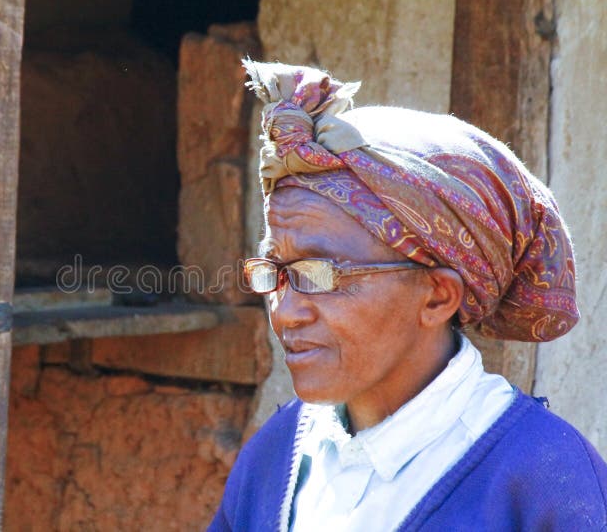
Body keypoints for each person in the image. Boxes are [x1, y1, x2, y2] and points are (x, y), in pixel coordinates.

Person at [209, 60, 607, 531]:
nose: (286, 313)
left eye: (319, 275)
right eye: (275, 272)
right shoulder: (277, 459)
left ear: (438, 297)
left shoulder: (544, 481)